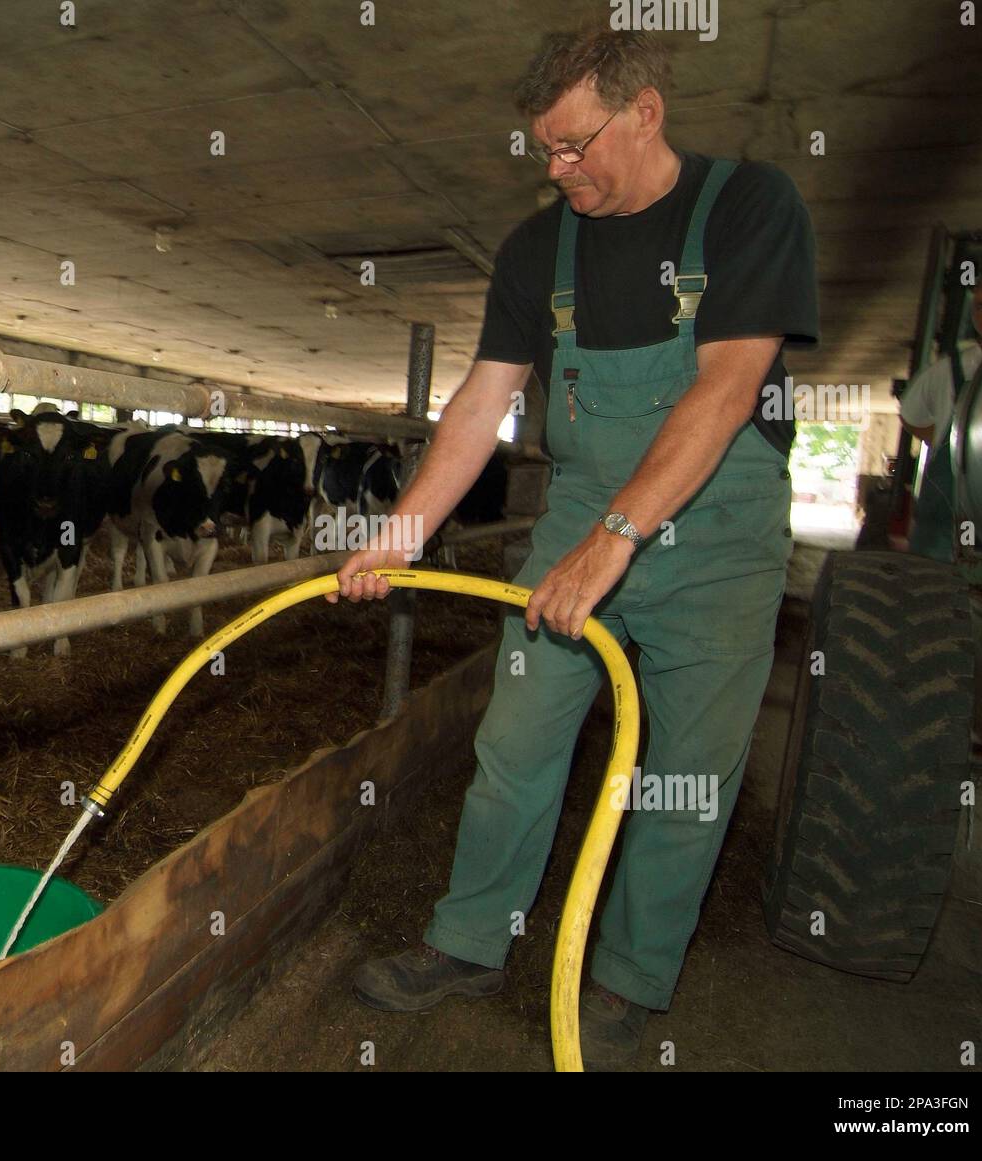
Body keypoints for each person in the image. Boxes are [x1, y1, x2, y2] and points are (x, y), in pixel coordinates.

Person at [328, 26, 818, 1066]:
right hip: (582, 506)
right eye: (542, 151)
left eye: (572, 145)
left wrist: (617, 542)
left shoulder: (748, 205)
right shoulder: (532, 250)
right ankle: (470, 938)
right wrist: (399, 532)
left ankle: (627, 978)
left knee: (684, 774)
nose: (557, 170)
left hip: (717, 530)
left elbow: (727, 387)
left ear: (645, 112)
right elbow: (481, 406)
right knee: (515, 739)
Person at [899, 267, 982, 562]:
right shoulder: (950, 370)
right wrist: (946, 439)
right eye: (980, 306)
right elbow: (911, 415)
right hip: (946, 527)